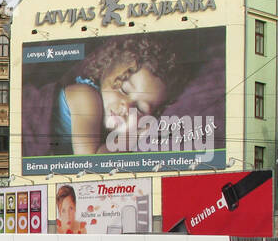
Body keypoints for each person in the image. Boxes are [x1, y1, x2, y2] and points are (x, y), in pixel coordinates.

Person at [50, 37, 180, 156]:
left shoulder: (111, 126)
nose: (126, 107)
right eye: (123, 90)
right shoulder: (85, 97)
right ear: (106, 69)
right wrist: (133, 135)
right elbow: (90, 163)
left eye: (140, 108)